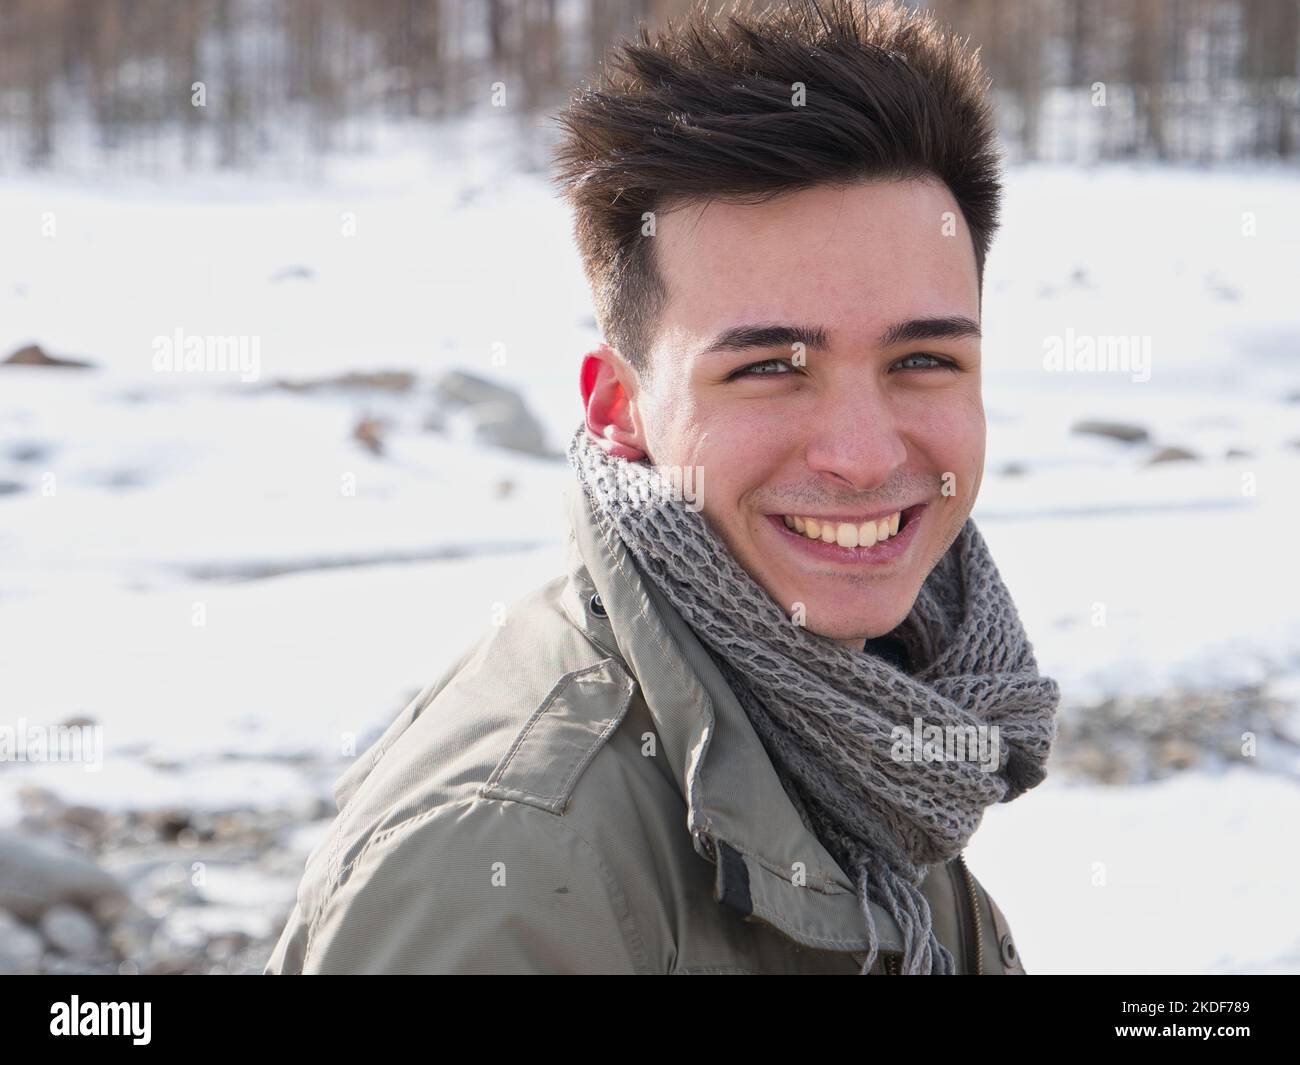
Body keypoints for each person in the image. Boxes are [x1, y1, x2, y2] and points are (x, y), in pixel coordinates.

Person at [265, 0, 1060, 975]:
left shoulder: (876, 721)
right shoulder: (503, 865)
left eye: (924, 359)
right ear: (618, 409)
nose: (859, 455)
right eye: (768, 368)